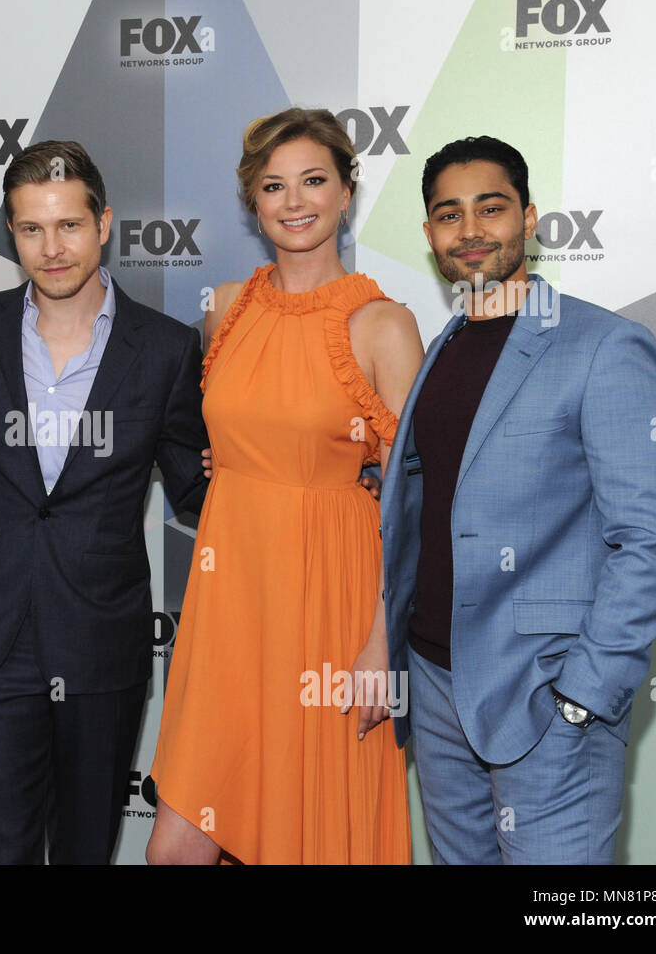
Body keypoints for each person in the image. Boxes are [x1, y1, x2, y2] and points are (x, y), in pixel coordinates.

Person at [379, 137, 656, 864]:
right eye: (448, 214)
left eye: (492, 207)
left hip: (546, 694)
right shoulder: (443, 348)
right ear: (429, 236)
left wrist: (585, 692)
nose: (471, 229)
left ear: (530, 218)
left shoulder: (603, 344)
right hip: (435, 681)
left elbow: (652, 536)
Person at [147, 107, 424, 864]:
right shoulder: (226, 309)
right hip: (230, 599)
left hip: (330, 603)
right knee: (175, 847)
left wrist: (380, 643)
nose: (294, 202)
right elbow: (236, 437)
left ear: (344, 192)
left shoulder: (382, 324)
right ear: (252, 201)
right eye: (274, 186)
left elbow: (412, 498)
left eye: (312, 181)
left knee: (315, 840)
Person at [0, 139, 209, 864]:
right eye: (30, 229)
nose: (52, 249)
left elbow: (199, 490)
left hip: (102, 645)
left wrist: (319, 474)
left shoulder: (167, 348)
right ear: (12, 234)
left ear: (104, 223)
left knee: (86, 850)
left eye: (70, 226)